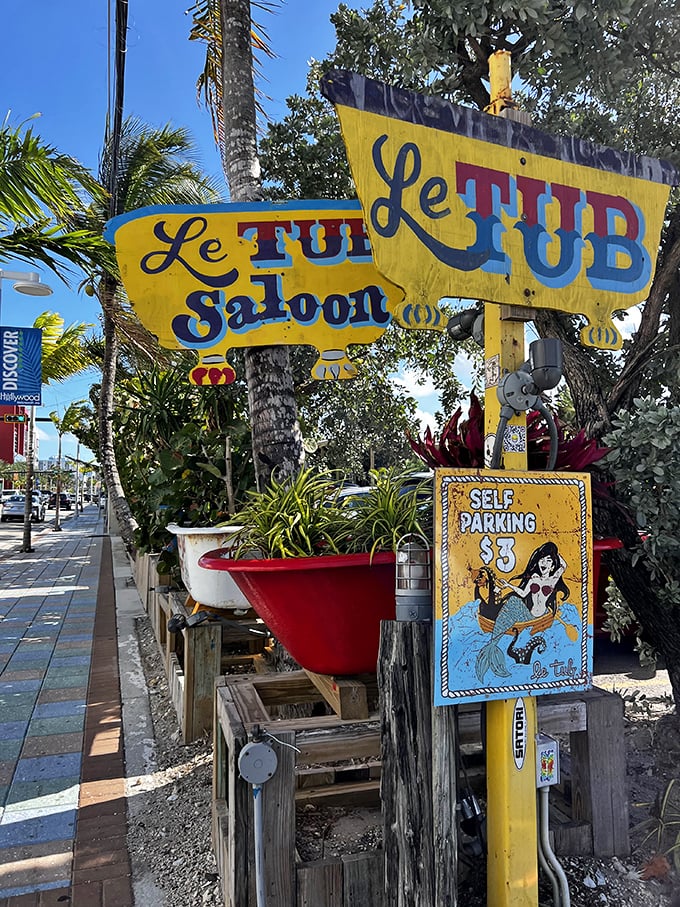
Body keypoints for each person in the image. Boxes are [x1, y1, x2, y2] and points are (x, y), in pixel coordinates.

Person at [498, 541, 569, 618]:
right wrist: (509, 585)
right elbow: (523, 593)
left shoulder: (552, 580)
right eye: (541, 559)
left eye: (548, 560)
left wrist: (556, 554)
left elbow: (563, 566)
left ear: (552, 567)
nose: (544, 563)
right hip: (531, 614)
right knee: (513, 600)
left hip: (543, 614)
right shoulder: (535, 577)